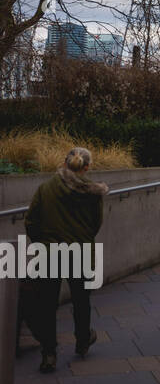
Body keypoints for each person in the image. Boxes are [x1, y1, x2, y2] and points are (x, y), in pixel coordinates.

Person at [26, 148, 106, 372]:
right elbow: (95, 224)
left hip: (50, 253)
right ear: (87, 167)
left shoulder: (46, 188)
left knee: (47, 304)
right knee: (81, 300)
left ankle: (49, 353)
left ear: (65, 162)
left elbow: (31, 220)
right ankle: (82, 340)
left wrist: (42, 242)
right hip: (79, 252)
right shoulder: (92, 192)